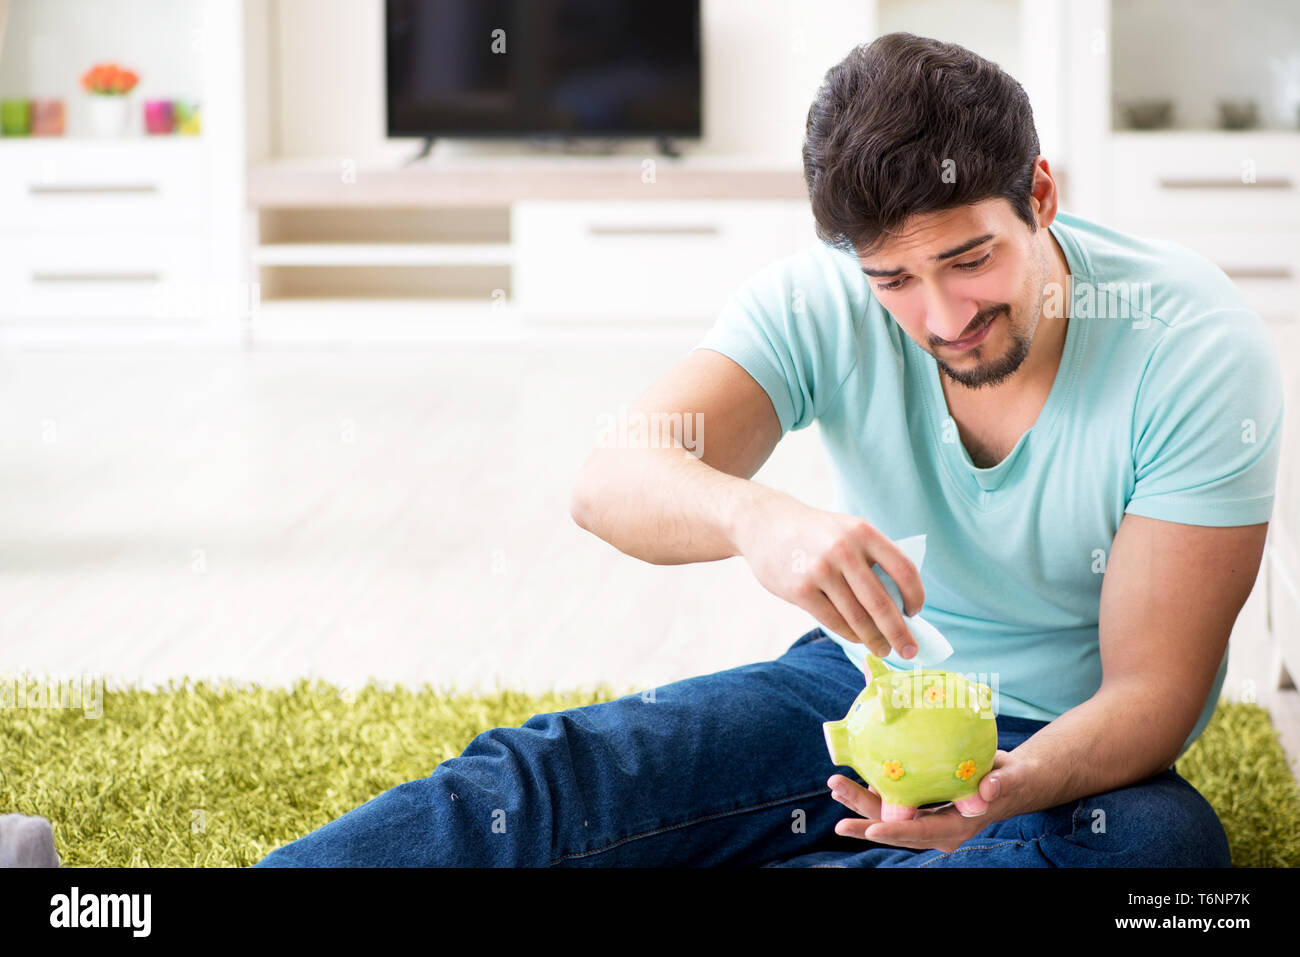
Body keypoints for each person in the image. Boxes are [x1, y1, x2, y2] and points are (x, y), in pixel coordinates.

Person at [252, 32, 1282, 867]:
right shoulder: (822, 297)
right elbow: (612, 478)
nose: (940, 315)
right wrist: (757, 517)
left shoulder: (1188, 346)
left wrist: (999, 788)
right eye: (892, 279)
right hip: (858, 698)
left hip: (1067, 750)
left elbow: (1150, 694)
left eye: (969, 260)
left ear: (1041, 197)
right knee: (563, 774)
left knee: (1159, 851)